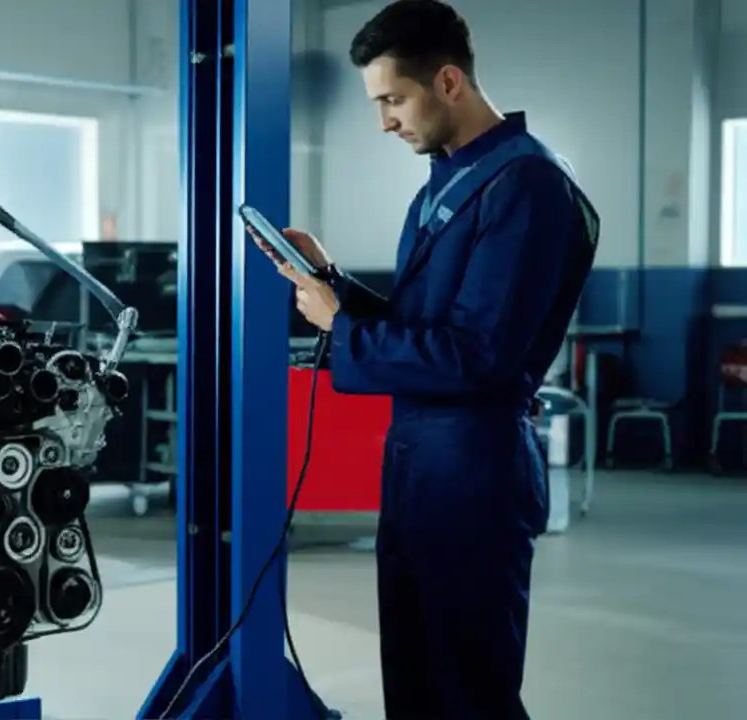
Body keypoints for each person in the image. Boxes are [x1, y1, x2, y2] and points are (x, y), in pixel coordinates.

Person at [250, 1, 599, 718]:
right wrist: (333, 283)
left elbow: (478, 357)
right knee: (414, 684)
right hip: (422, 467)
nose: (384, 122)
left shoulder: (528, 185)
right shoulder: (450, 178)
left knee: (467, 692)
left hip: (474, 474)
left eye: (393, 100)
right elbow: (425, 324)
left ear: (448, 82)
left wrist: (343, 329)